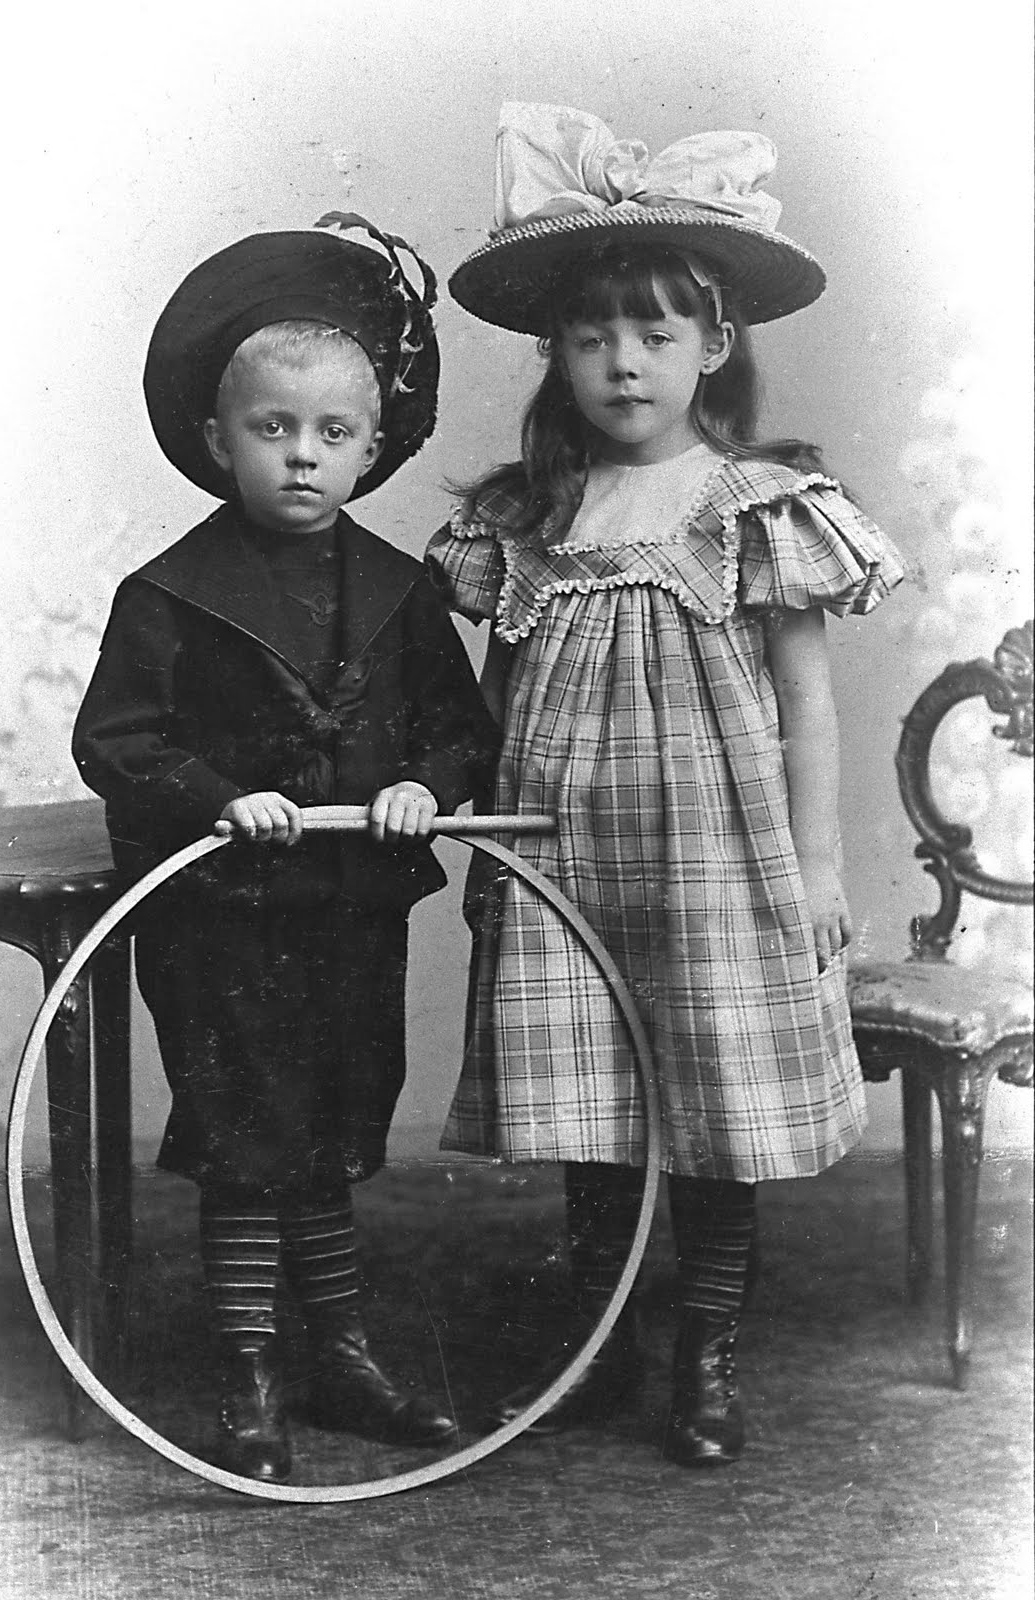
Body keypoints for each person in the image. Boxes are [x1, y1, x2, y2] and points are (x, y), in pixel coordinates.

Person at [427, 103, 904, 1467]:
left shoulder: (754, 503)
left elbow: (804, 706)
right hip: (567, 853)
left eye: (651, 335)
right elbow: (501, 697)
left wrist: (816, 869)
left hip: (715, 858)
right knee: (590, 1102)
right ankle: (598, 1345)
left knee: (712, 1107)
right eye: (590, 337)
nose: (622, 363)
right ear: (554, 355)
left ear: (714, 344)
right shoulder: (531, 515)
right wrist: (491, 849)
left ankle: (703, 1356)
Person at [73, 220, 497, 1482]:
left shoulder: (402, 592)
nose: (300, 454)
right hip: (222, 915)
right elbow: (117, 740)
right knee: (246, 1140)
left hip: (347, 907)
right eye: (271, 428)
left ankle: (341, 1353)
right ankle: (250, 1367)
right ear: (219, 440)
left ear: (371, 446)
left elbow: (459, 731)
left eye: (330, 432)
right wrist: (218, 798)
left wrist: (423, 785)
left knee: (329, 1131)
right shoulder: (165, 595)